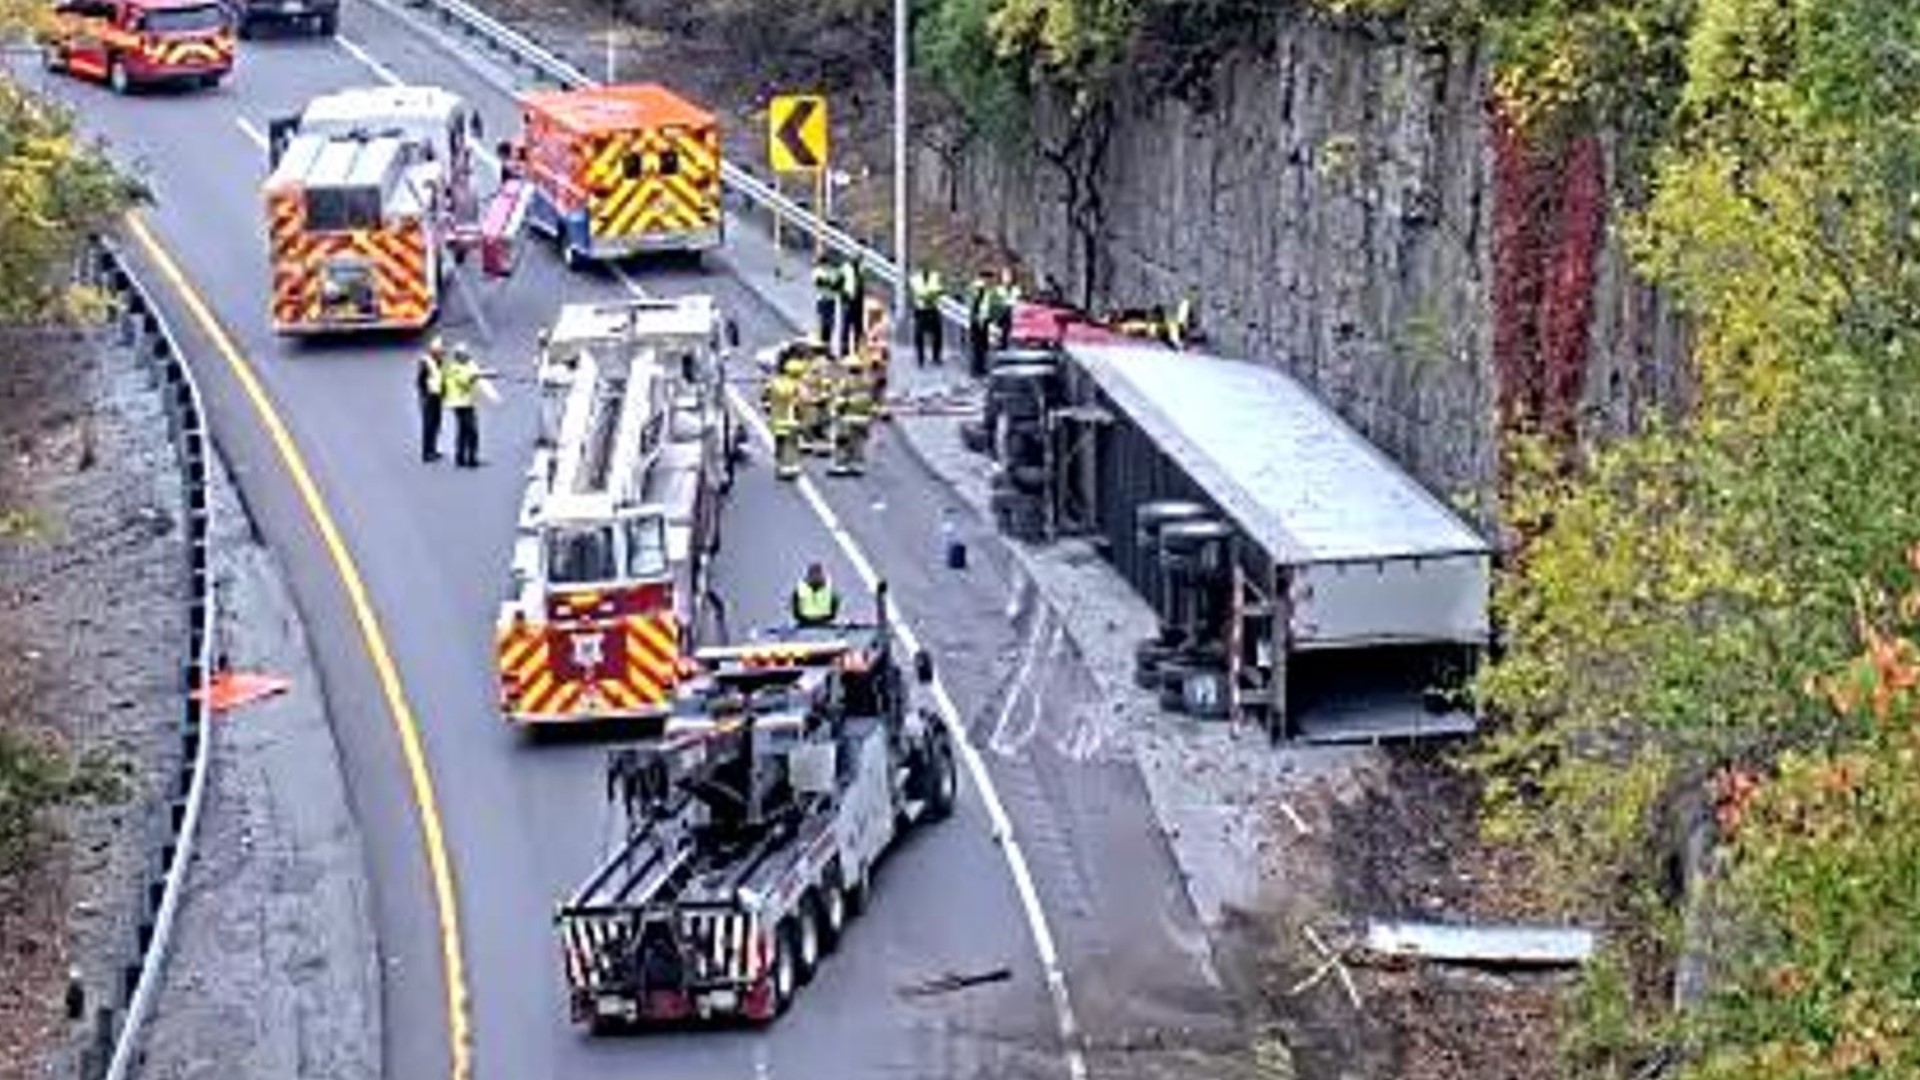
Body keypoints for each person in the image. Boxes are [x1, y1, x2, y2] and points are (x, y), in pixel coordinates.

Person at [829, 354, 874, 477]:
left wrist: (835, 410)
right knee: (858, 442)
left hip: (848, 417)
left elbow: (839, 399)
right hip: (863, 418)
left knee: (842, 441)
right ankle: (857, 464)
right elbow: (871, 400)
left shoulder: (845, 382)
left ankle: (841, 464)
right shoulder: (867, 381)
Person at [441, 343, 485, 468]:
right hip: (460, 403)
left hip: (465, 402)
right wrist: (477, 375)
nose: (467, 356)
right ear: (458, 356)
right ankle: (471, 458)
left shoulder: (462, 365)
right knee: (472, 431)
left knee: (463, 430)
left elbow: (472, 373)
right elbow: (465, 382)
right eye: (464, 354)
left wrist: (480, 373)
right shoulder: (455, 368)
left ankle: (460, 457)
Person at [766, 353, 804, 480]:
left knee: (780, 443)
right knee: (791, 443)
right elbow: (801, 402)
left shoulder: (774, 383)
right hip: (790, 419)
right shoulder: (797, 386)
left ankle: (780, 465)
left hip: (777, 419)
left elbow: (766, 399)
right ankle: (788, 465)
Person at [416, 336, 447, 462]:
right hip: (429, 398)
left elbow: (442, 378)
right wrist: (425, 394)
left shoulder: (440, 361)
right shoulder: (426, 363)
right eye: (440, 351)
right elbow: (420, 381)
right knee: (428, 426)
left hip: (437, 397)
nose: (442, 353)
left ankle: (433, 450)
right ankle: (426, 453)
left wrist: (443, 393)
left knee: (436, 424)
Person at [910, 265, 945, 367]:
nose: (925, 270)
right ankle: (920, 357)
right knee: (919, 334)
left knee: (938, 334)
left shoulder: (935, 277)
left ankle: (936, 357)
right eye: (923, 269)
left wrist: (933, 295)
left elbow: (941, 290)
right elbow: (916, 293)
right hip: (921, 310)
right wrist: (929, 295)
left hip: (933, 308)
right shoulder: (915, 279)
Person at [791, 562, 840, 627]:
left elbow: (833, 611)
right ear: (809, 575)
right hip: (804, 624)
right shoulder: (800, 591)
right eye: (813, 574)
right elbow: (796, 611)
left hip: (825, 624)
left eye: (818, 574)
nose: (816, 577)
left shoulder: (829, 592)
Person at [837, 255, 866, 358]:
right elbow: (838, 283)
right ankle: (844, 351)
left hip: (858, 301)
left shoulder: (861, 268)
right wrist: (844, 297)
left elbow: (861, 284)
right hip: (848, 300)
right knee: (846, 326)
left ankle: (858, 350)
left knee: (858, 326)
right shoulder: (845, 269)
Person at [965, 270, 992, 378]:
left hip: (980, 320)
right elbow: (976, 306)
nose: (990, 281)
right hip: (979, 321)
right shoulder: (980, 289)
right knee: (979, 346)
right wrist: (978, 320)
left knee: (980, 346)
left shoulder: (978, 288)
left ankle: (978, 368)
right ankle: (977, 369)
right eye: (989, 279)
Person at [812, 256, 841, 350]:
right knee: (824, 321)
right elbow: (820, 283)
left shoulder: (831, 272)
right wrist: (830, 282)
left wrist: (829, 282)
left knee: (829, 322)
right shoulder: (818, 272)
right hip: (823, 299)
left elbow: (835, 285)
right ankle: (823, 342)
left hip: (829, 300)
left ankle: (826, 343)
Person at [991, 267, 1021, 350]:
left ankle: (1007, 341)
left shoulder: (1016, 289)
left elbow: (1016, 301)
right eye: (1005, 276)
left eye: (1009, 276)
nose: (1007, 278)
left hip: (1012, 313)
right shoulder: (998, 289)